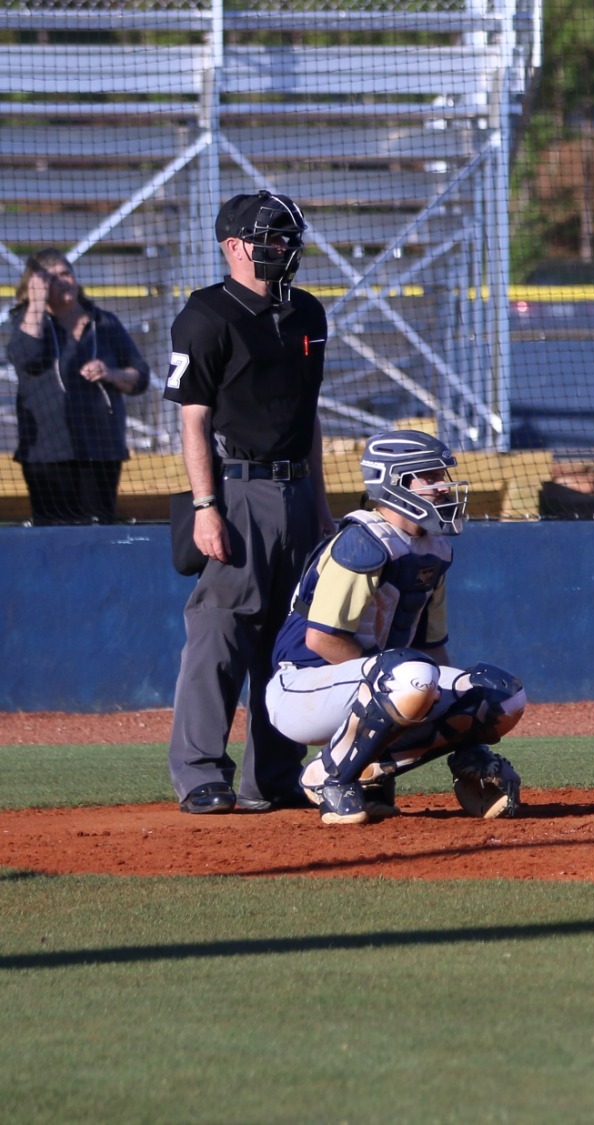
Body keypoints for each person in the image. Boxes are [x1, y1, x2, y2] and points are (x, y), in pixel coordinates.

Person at [163, 190, 335, 815]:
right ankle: (200, 774)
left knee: (291, 637)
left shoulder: (307, 313)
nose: (285, 248)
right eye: (273, 238)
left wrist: (321, 505)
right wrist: (205, 506)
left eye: (290, 238)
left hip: (297, 490)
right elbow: (193, 420)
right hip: (236, 490)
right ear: (234, 246)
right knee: (221, 631)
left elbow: (308, 417)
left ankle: (273, 778)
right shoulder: (206, 315)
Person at [265, 430, 527, 825]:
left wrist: (462, 725)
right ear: (396, 483)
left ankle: (394, 769)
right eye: (431, 477)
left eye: (442, 476)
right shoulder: (362, 542)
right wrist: (389, 680)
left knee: (501, 696)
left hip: (380, 683)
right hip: (302, 688)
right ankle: (330, 775)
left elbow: (432, 649)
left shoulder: (433, 549)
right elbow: (320, 639)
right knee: (410, 676)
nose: (444, 487)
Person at [5, 250, 151, 524]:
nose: (62, 281)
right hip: (48, 454)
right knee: (54, 531)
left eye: (65, 273)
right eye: (51, 279)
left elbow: (140, 375)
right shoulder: (26, 323)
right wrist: (36, 303)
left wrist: (111, 373)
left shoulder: (103, 323)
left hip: (101, 449)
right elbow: (26, 358)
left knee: (98, 526)